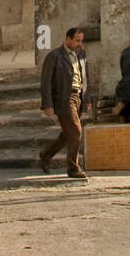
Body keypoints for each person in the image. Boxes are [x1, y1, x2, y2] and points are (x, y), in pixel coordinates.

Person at [39, 27, 92, 180]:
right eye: (77, 40)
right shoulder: (54, 56)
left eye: (81, 40)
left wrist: (86, 99)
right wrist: (47, 104)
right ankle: (73, 168)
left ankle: (46, 154)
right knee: (76, 132)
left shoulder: (81, 54)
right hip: (64, 98)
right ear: (68, 39)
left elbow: (85, 78)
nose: (80, 43)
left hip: (78, 98)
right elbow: (46, 82)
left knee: (67, 135)